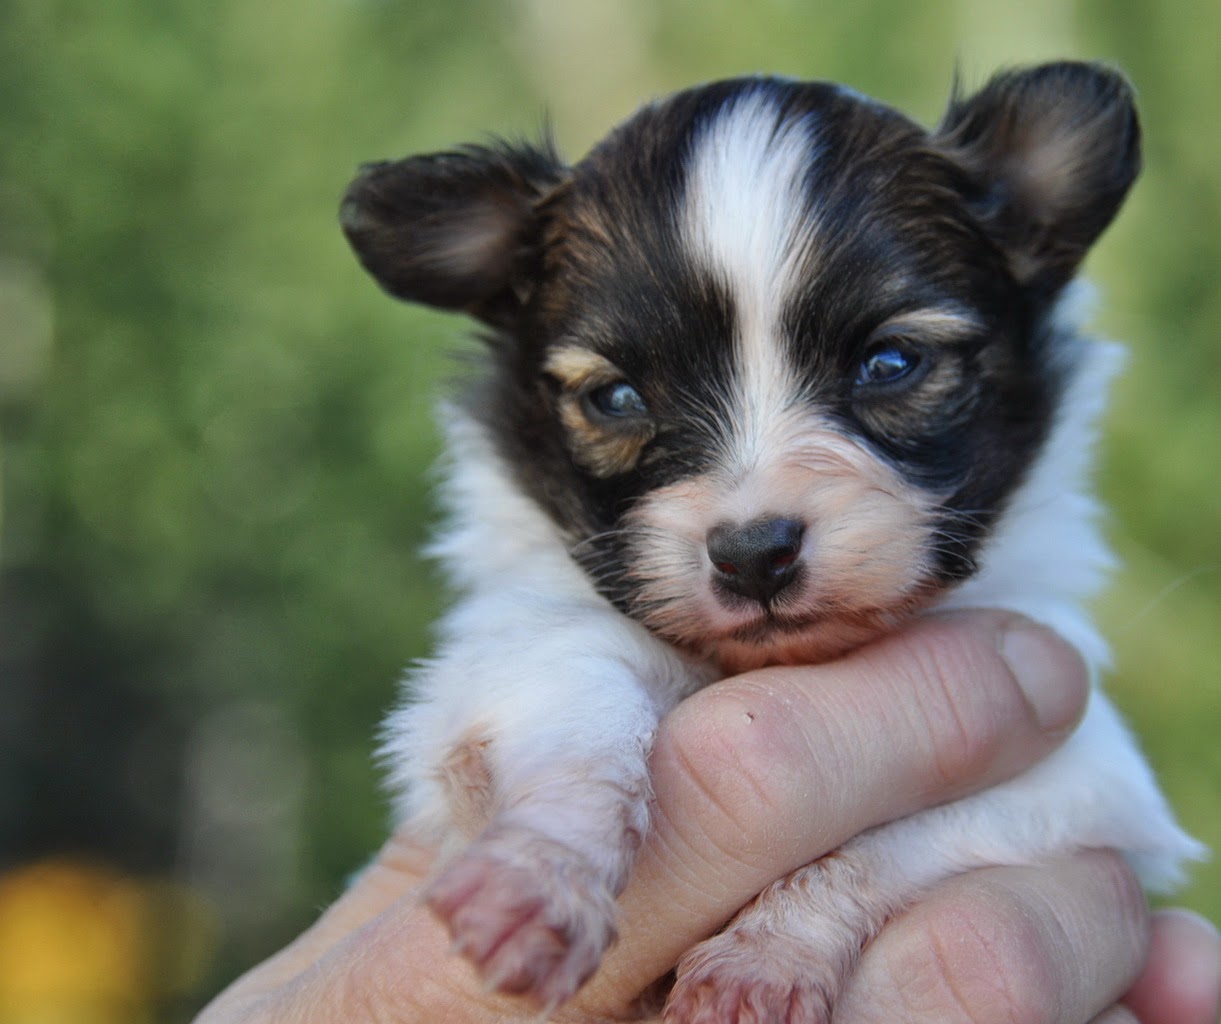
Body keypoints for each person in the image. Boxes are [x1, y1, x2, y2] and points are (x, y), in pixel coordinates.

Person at [195, 612, 1220, 1023]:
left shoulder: (1028, 605)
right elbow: (501, 709)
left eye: (888, 365)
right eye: (624, 399)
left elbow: (1107, 805)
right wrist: (566, 818)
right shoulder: (562, 625)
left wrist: (817, 913)